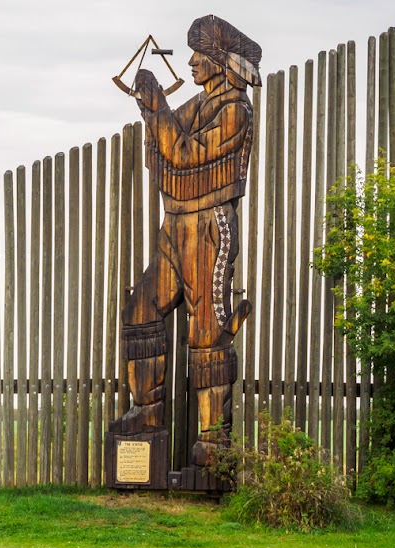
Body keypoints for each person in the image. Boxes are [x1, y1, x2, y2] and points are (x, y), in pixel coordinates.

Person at [111, 14, 261, 467]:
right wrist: (150, 102)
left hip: (209, 226)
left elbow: (184, 154)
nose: (192, 62)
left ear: (220, 62)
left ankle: (215, 441)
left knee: (209, 331)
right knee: (141, 309)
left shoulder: (235, 110)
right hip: (175, 226)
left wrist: (156, 107)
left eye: (200, 55)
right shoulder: (200, 105)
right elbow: (164, 138)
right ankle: (147, 414)